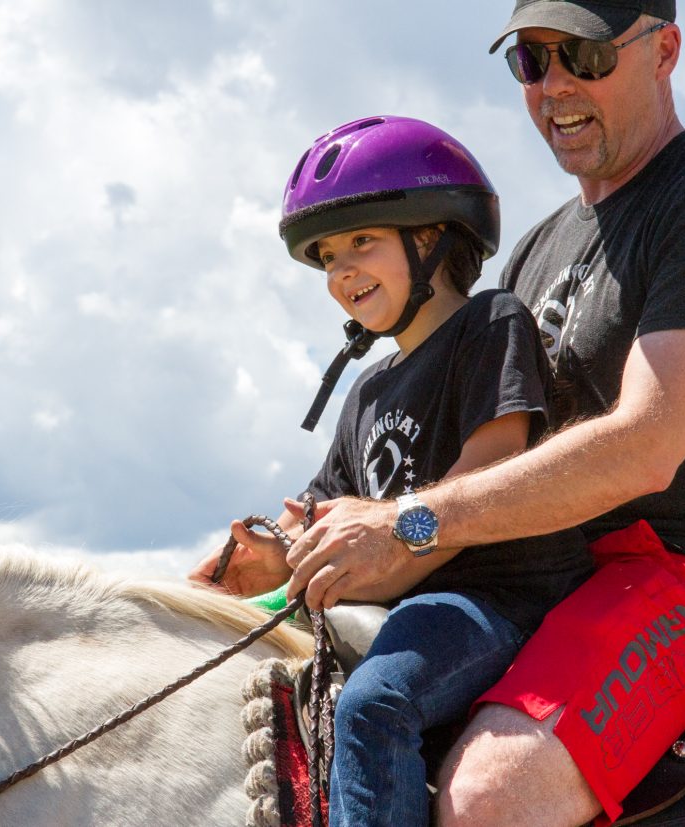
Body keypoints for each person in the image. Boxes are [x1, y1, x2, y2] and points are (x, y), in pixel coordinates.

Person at [210, 2, 685, 825]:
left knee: (490, 796)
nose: (553, 85)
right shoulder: (537, 249)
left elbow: (645, 446)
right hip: (553, 574)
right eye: (531, 60)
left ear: (664, 51)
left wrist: (403, 525)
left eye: (582, 57)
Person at [190, 115, 593, 826]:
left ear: (431, 235)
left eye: (362, 242)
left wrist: (394, 560)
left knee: (374, 701)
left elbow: (492, 469)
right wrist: (267, 554)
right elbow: (322, 510)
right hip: (408, 610)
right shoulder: (367, 391)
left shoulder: (491, 323)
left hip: (497, 598)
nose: (342, 271)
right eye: (327, 257)